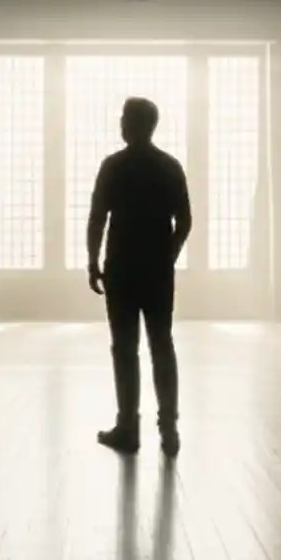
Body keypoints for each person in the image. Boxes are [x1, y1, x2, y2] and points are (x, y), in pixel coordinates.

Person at [87, 96, 192, 456]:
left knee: (124, 348)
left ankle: (128, 427)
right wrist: (170, 253)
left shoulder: (113, 166)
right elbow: (185, 221)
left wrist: (92, 261)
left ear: (134, 124)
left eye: (124, 118)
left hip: (121, 268)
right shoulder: (170, 166)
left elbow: (98, 217)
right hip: (158, 271)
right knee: (162, 344)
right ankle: (169, 429)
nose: (120, 123)